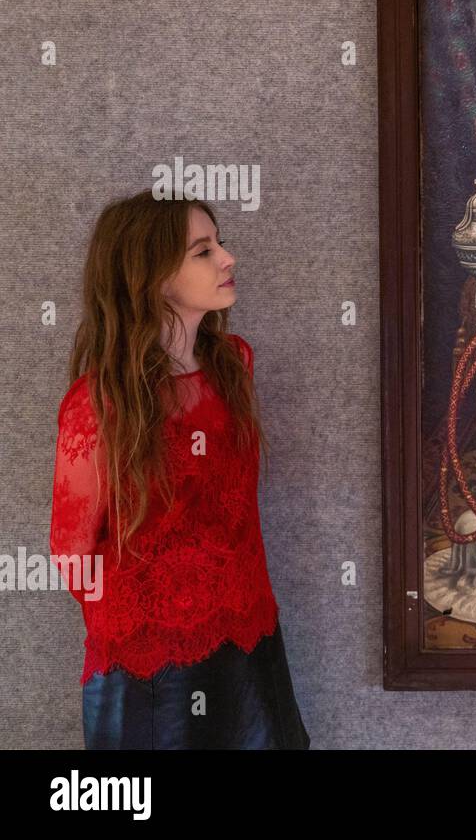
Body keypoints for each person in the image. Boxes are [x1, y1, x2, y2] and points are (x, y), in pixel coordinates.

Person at [50, 189, 309, 749]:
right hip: (151, 666)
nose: (227, 258)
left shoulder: (233, 364)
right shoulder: (98, 404)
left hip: (247, 635)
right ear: (151, 274)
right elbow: (72, 551)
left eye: (220, 244)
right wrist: (145, 619)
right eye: (202, 250)